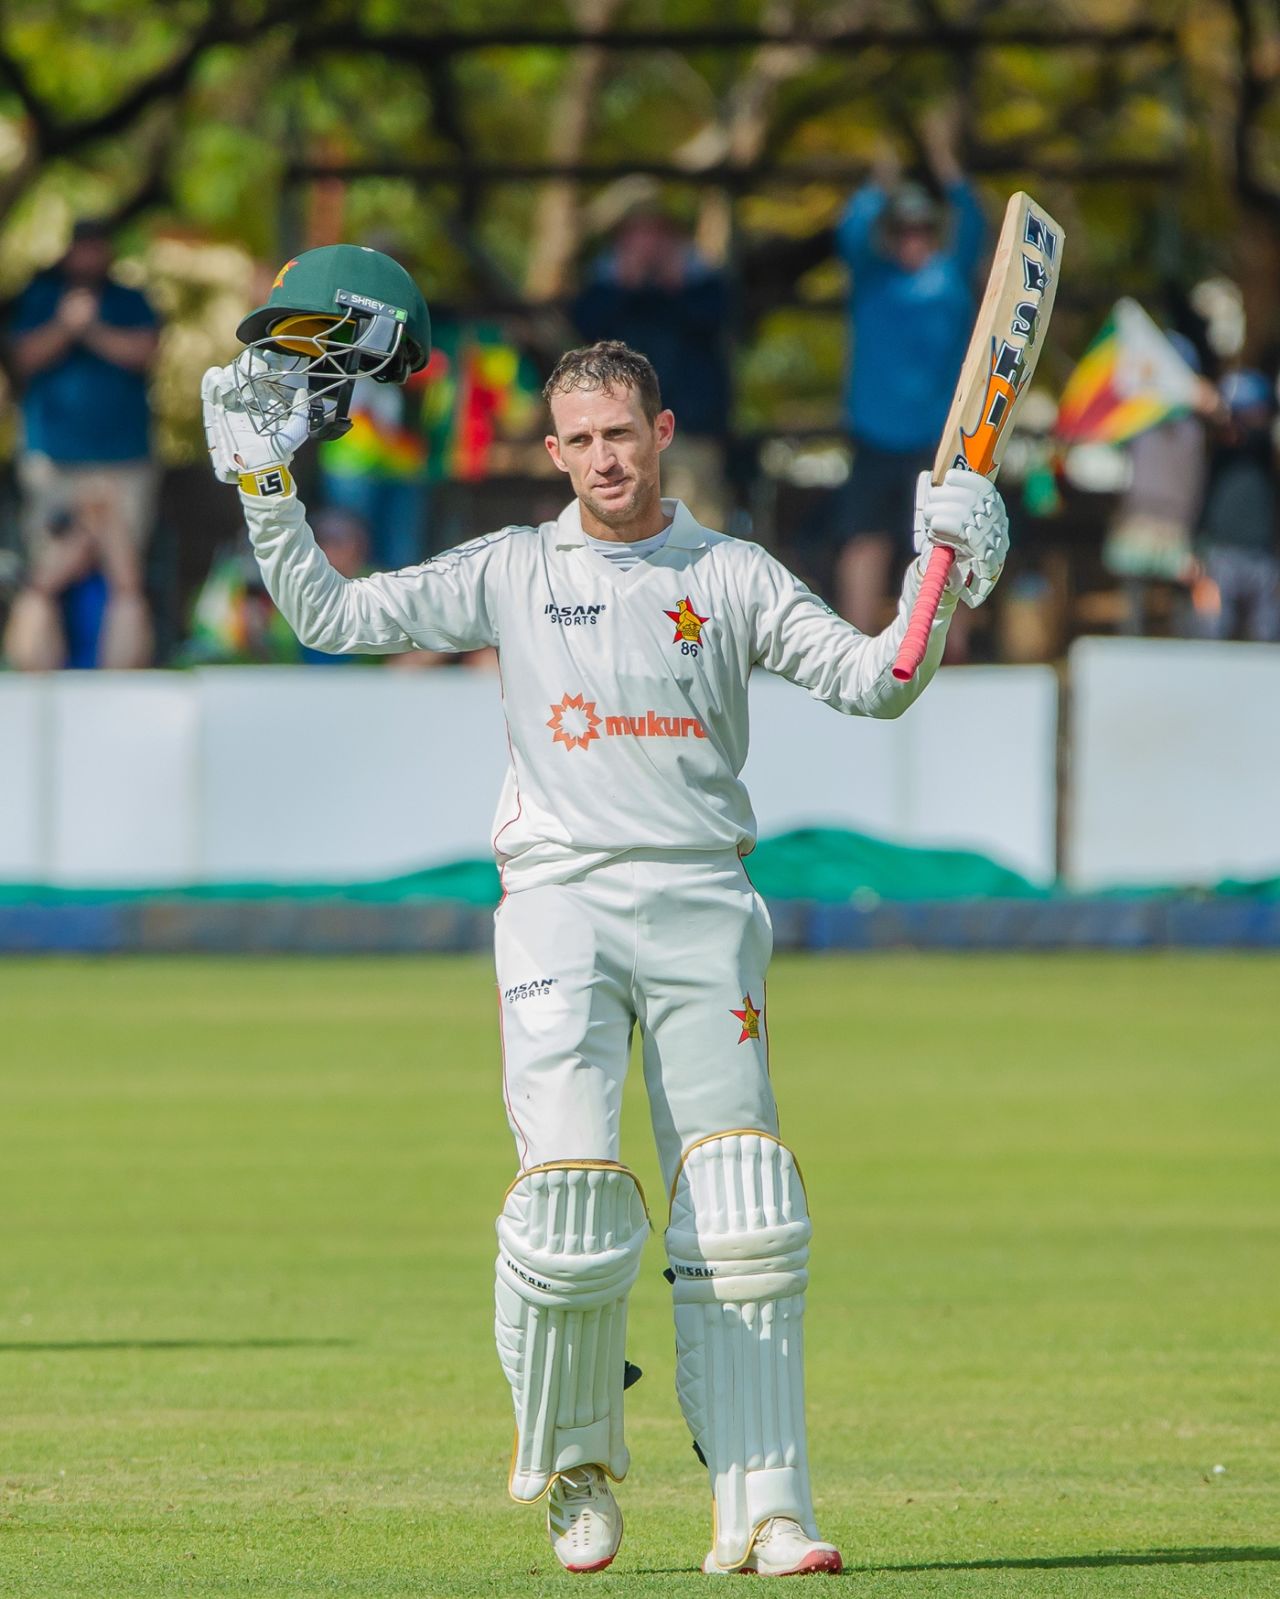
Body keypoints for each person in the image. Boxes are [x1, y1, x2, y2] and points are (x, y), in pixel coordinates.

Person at [201, 248, 1008, 1577]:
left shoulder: (733, 572)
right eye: (577, 440)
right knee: (570, 1209)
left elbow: (881, 678)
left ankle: (767, 1501)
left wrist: (945, 568)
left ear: (663, 432)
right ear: (556, 447)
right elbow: (328, 612)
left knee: (742, 1206)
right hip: (561, 901)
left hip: (701, 900)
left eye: (620, 435)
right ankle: (578, 1470)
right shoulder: (513, 568)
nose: (601, 460)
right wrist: (264, 479)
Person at [834, 114, 986, 650]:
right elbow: (849, 233)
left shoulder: (949, 277)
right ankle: (856, 645)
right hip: (875, 432)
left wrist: (945, 165)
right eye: (904, 229)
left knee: (948, 542)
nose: (913, 239)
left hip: (936, 437)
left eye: (922, 228)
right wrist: (878, 185)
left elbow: (974, 220)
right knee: (865, 539)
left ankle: (951, 652)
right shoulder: (872, 278)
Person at [2, 219, 159, 670]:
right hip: (53, 463)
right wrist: (65, 326)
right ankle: (39, 679)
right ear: (70, 250)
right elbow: (21, 359)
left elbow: (145, 353)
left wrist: (89, 330)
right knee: (46, 576)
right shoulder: (39, 298)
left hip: (124, 463)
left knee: (124, 574)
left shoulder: (131, 299)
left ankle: (116, 687)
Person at [573, 198, 731, 528]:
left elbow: (718, 323)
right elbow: (583, 334)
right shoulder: (603, 286)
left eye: (656, 233)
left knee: (698, 519)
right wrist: (623, 286)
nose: (647, 244)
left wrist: (677, 287)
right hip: (618, 425)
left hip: (691, 424)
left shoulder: (701, 282)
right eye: (637, 234)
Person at [1193, 369, 1280, 642]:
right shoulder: (1214, 451)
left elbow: (1255, 438)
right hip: (1220, 555)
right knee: (1213, 632)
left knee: (1266, 634)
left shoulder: (1266, 449)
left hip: (1263, 557)